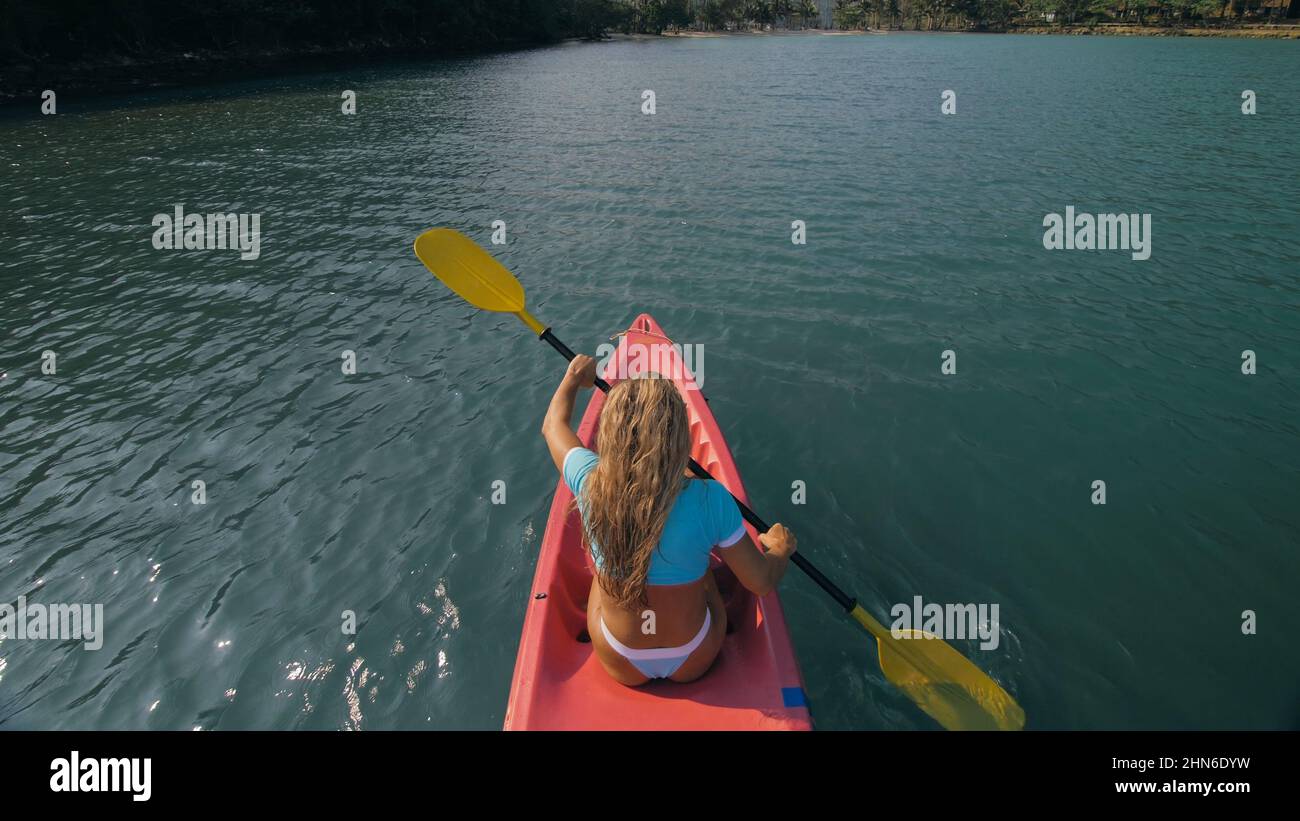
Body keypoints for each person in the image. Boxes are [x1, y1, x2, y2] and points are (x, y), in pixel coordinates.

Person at [541, 354, 797, 686]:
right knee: (700, 563)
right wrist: (780, 551)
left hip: (620, 660)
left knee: (601, 572)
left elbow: (553, 426)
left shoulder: (589, 481)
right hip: (694, 657)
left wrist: (574, 377)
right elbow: (761, 582)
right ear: (677, 437)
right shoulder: (711, 498)